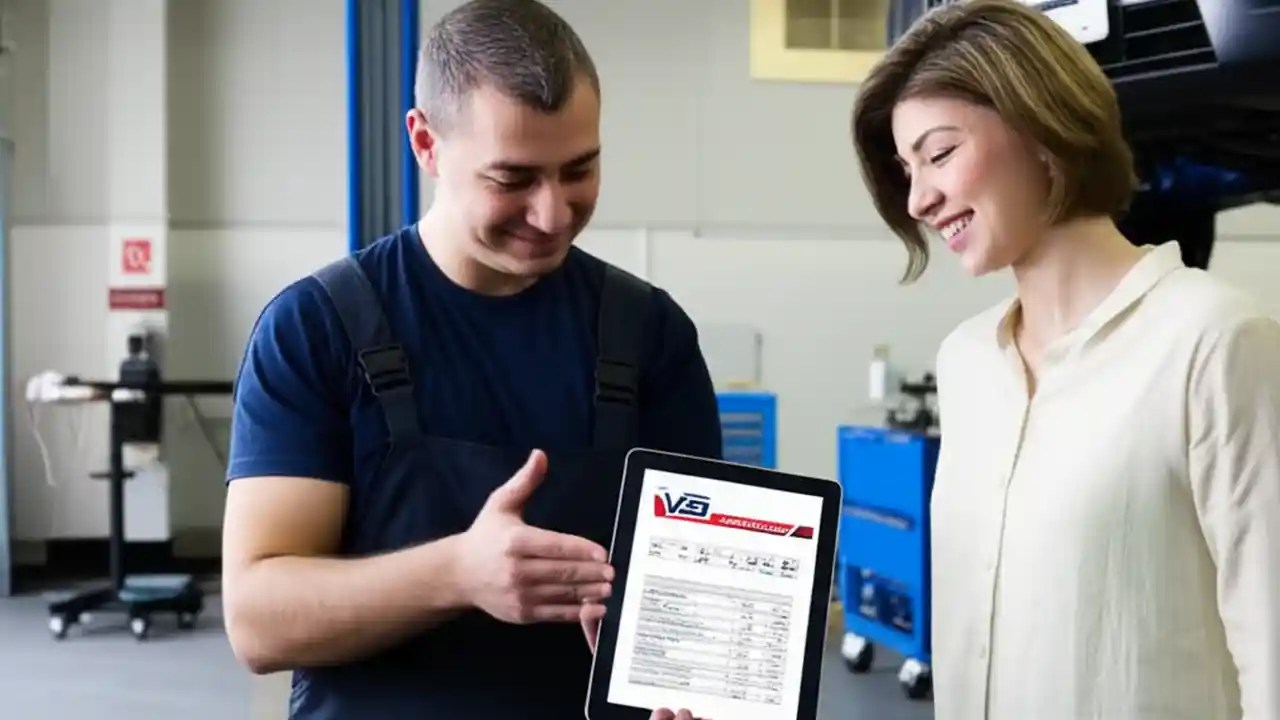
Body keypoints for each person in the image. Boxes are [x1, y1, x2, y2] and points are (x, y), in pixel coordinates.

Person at [219, 1, 720, 718]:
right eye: (512, 179)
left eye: (579, 170)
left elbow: (700, 599)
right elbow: (258, 622)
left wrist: (694, 677)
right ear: (425, 143)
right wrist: (458, 573)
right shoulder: (314, 329)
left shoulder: (651, 334)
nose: (552, 214)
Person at [850, 1, 1280, 719]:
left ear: (1042, 129)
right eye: (905, 168)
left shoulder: (1214, 340)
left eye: (941, 153)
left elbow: (1271, 645)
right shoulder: (967, 363)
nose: (919, 199)